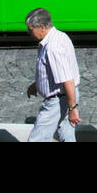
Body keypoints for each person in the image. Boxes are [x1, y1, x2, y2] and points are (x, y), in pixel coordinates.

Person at [24, 8, 80, 143]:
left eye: (31, 30)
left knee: (37, 139)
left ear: (42, 27)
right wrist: (37, 84)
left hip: (58, 100)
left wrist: (72, 108)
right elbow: (53, 72)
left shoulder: (52, 48)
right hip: (66, 96)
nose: (29, 33)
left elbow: (67, 79)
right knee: (67, 135)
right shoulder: (61, 36)